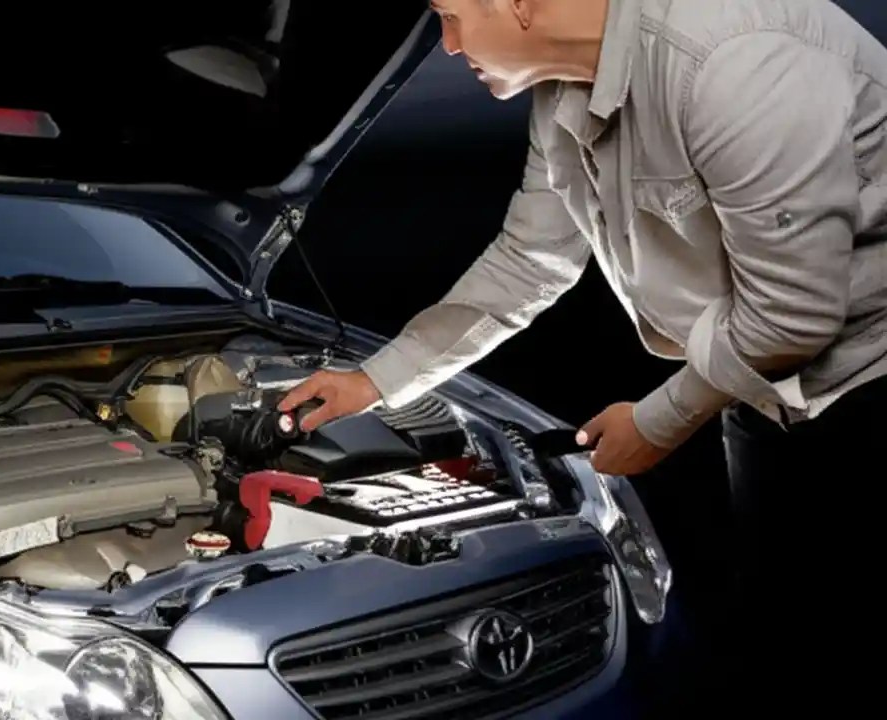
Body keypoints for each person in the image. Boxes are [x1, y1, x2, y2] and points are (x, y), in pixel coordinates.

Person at [280, 0, 887, 699]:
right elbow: (532, 259)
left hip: (869, 382)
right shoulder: (566, 89)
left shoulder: (734, 63)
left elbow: (796, 316)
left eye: (450, 15)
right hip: (765, 395)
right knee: (787, 639)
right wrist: (377, 381)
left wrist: (654, 423)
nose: (446, 46)